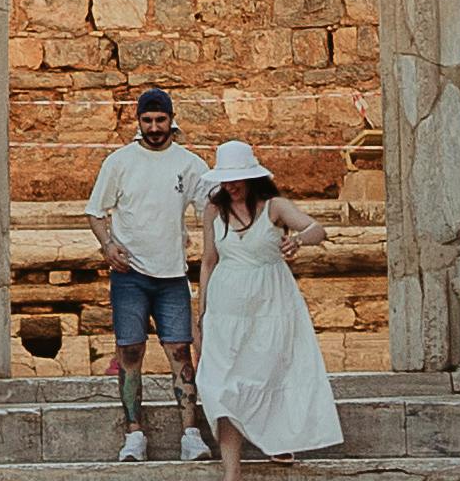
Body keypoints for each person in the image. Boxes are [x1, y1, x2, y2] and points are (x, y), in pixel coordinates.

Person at [193, 138, 342, 471]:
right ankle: (232, 473)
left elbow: (318, 229)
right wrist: (201, 313)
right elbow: (207, 261)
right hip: (225, 306)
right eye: (225, 178)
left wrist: (298, 241)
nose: (230, 185)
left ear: (251, 176)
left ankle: (277, 439)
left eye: (236, 177)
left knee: (269, 373)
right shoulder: (214, 211)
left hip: (271, 304)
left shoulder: (274, 206)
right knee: (220, 384)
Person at [84, 85, 211, 461]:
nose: (155, 127)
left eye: (161, 119)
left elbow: (212, 207)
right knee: (130, 351)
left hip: (172, 273)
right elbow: (95, 211)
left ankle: (190, 433)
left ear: (172, 120)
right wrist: (108, 246)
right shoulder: (119, 162)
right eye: (148, 120)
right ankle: (134, 434)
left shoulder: (189, 164)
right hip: (129, 274)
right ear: (138, 122)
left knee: (179, 350)